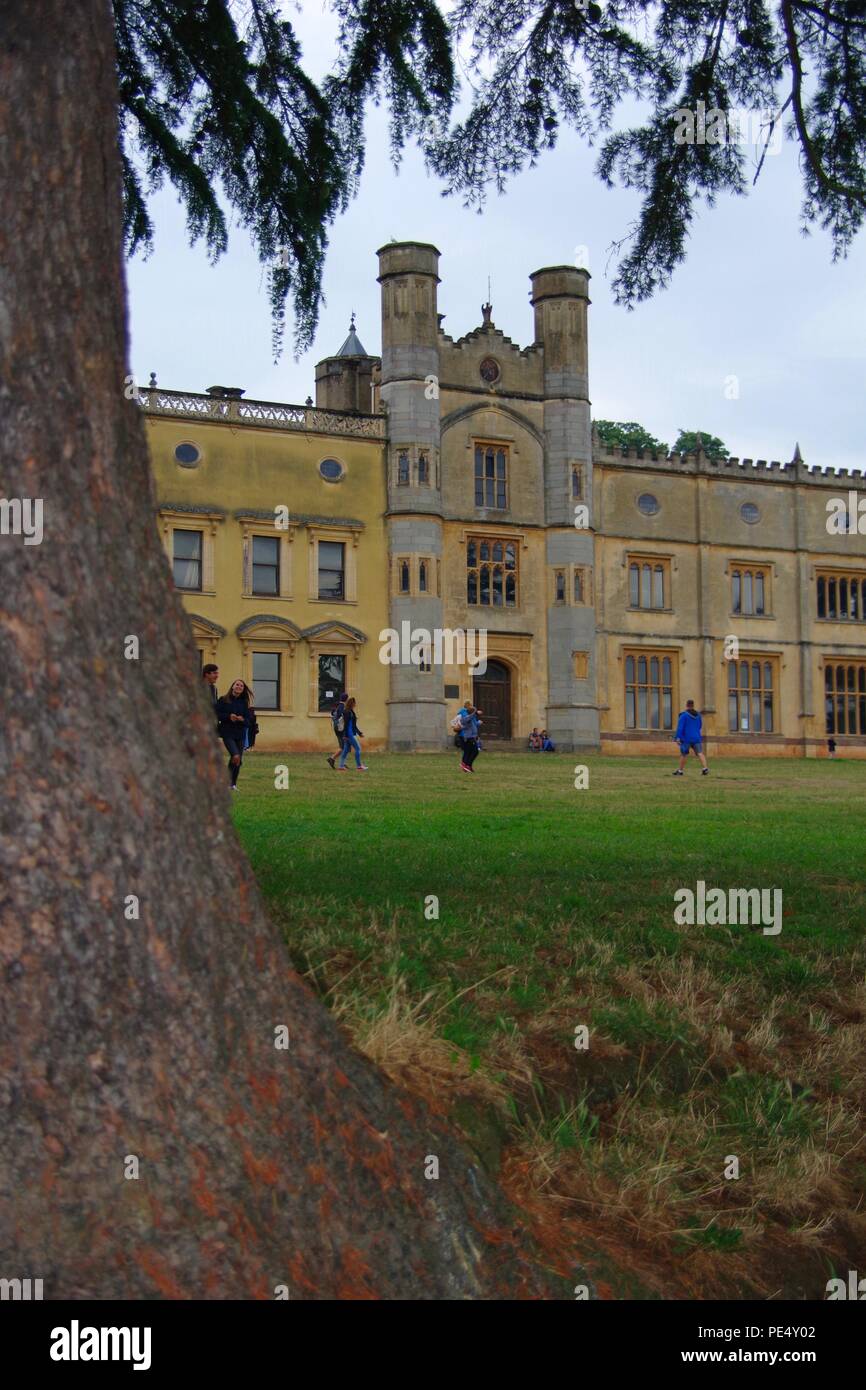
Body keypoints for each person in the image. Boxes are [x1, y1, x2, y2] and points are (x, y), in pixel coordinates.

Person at [216, 679, 255, 790]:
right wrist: (229, 717)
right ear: (232, 686)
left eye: (241, 686)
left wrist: (242, 719)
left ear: (243, 690)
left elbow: (248, 721)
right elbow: (217, 714)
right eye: (237, 685)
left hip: (240, 734)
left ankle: (232, 784)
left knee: (238, 760)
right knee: (235, 756)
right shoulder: (223, 700)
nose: (239, 687)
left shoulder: (244, 703)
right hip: (227, 733)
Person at [673, 700, 709, 776]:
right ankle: (705, 768)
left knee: (684, 754)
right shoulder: (698, 715)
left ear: (686, 705)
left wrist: (678, 738)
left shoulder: (684, 715)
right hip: (696, 737)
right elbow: (700, 726)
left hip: (687, 738)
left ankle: (680, 771)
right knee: (700, 753)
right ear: (693, 705)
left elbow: (680, 728)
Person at [337, 697, 368, 771]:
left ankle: (341, 766)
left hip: (349, 733)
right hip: (349, 734)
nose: (355, 704)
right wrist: (345, 735)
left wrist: (359, 733)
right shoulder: (348, 712)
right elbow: (347, 725)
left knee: (346, 750)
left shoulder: (350, 712)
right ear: (352, 703)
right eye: (354, 703)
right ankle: (359, 766)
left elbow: (353, 725)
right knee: (358, 748)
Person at [328, 691, 349, 769]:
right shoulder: (342, 707)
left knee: (344, 746)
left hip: (336, 728)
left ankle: (342, 763)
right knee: (343, 747)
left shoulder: (336, 706)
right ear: (346, 699)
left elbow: (332, 714)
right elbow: (342, 717)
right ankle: (332, 758)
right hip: (341, 729)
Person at [459, 703, 482, 772]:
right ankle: (467, 765)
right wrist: (475, 712)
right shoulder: (466, 718)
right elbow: (467, 719)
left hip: (472, 737)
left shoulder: (471, 718)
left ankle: (467, 766)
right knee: (475, 751)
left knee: (470, 752)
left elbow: (474, 724)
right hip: (469, 738)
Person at [202, 663, 220, 731]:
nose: (217, 676)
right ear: (207, 674)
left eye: (217, 673)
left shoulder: (214, 688)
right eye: (215, 673)